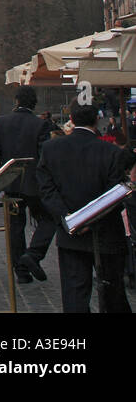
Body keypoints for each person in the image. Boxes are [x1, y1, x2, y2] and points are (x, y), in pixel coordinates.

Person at [37, 101, 132, 313]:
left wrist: (67, 217)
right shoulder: (111, 151)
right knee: (112, 293)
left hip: (70, 232)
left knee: (74, 295)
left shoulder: (51, 148)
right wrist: (91, 220)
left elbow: (46, 189)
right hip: (106, 233)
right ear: (97, 120)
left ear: (71, 119)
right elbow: (114, 195)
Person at [0, 84, 55, 285]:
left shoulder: (2, 122)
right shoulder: (40, 124)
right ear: (33, 104)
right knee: (49, 219)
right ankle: (33, 255)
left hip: (10, 183)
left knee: (15, 227)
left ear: (16, 101)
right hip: (34, 184)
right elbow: (44, 156)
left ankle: (21, 271)